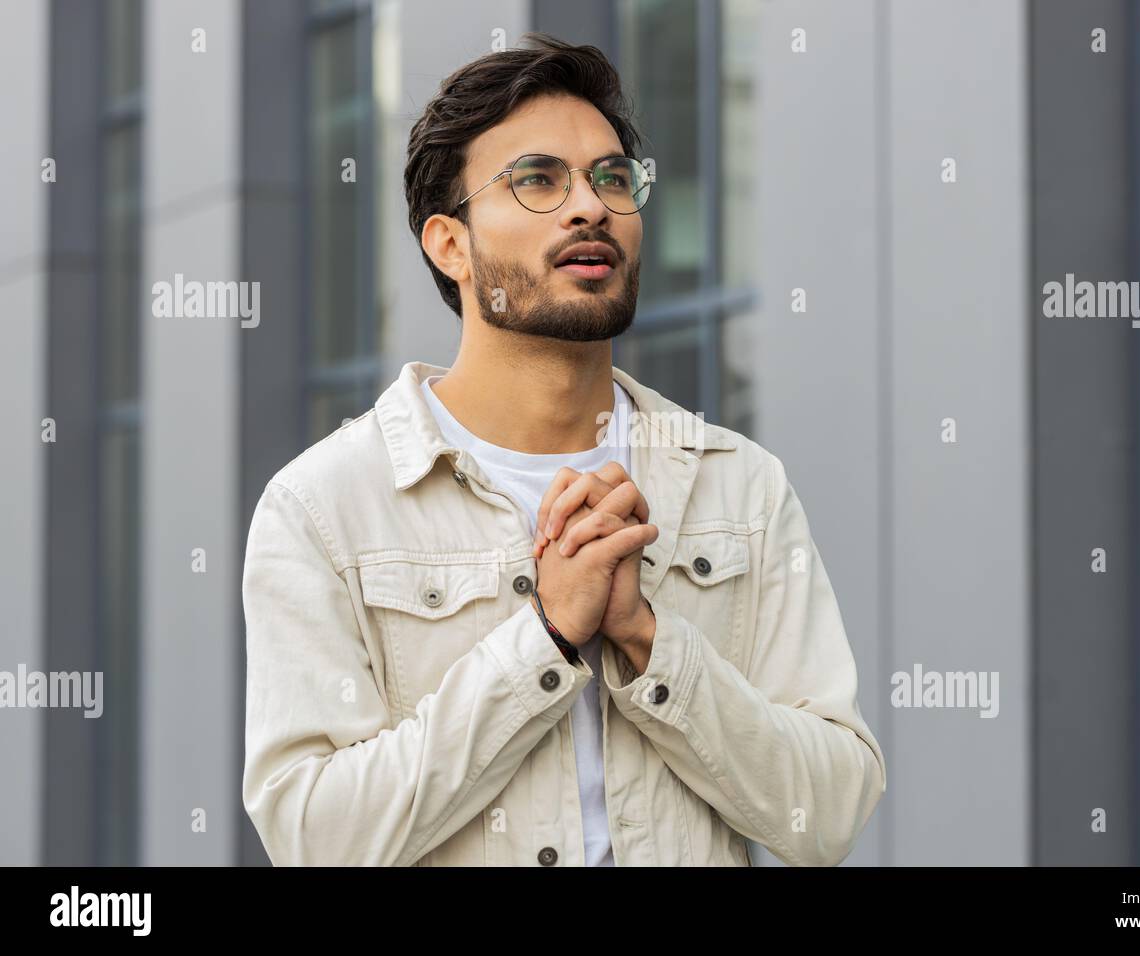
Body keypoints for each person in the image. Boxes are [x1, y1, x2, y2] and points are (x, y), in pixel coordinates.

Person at [241, 32, 885, 867]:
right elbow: (315, 837)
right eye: (538, 180)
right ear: (450, 244)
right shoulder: (326, 507)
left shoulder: (739, 488)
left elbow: (829, 812)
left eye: (612, 178)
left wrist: (650, 639)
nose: (591, 206)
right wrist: (541, 639)